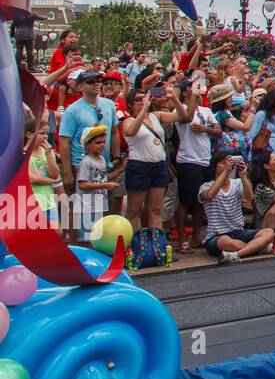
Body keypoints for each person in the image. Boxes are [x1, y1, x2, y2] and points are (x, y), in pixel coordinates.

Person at [57, 70, 119, 241]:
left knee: (104, 208)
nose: (97, 84)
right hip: (81, 165)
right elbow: (64, 141)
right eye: (92, 81)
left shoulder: (108, 104)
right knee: (80, 211)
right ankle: (77, 246)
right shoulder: (72, 110)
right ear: (80, 86)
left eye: (99, 80)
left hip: (103, 164)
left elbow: (114, 132)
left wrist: (116, 156)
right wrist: (68, 171)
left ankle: (100, 246)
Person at [119, 87, 182, 233]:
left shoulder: (156, 116)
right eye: (138, 100)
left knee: (155, 209)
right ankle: (130, 246)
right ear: (130, 104)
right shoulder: (129, 120)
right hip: (139, 166)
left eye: (144, 98)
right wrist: (144, 108)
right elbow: (131, 131)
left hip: (159, 166)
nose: (142, 101)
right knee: (134, 210)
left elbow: (182, 115)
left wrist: (174, 98)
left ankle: (155, 246)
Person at [197, 153, 275, 263]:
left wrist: (243, 175)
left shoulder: (236, 183)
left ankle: (236, 254)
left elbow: (249, 197)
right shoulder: (206, 186)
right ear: (214, 167)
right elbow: (209, 195)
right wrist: (225, 172)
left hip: (238, 232)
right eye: (223, 163)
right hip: (216, 236)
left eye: (228, 163)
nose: (226, 165)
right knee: (227, 242)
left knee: (268, 232)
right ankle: (257, 248)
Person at [173, 81, 221, 253]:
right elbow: (186, 118)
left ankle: (195, 237)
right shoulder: (179, 110)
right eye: (192, 88)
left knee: (202, 200)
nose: (198, 90)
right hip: (188, 160)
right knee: (186, 202)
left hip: (205, 159)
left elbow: (218, 131)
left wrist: (204, 129)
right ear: (185, 92)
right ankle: (180, 241)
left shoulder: (206, 111)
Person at [74, 126, 121, 243]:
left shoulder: (101, 159)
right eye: (97, 143)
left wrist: (120, 170)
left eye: (104, 142)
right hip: (87, 206)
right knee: (87, 238)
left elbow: (103, 178)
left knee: (96, 237)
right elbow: (83, 185)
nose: (102, 145)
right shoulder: (86, 162)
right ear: (87, 145)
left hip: (98, 204)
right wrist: (106, 185)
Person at [24, 115, 63, 226]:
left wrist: (49, 154)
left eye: (46, 133)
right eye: (41, 133)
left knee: (56, 233)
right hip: (30, 204)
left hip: (48, 202)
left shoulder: (48, 152)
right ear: (28, 134)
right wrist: (53, 181)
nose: (45, 137)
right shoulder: (22, 153)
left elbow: (55, 174)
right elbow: (31, 178)